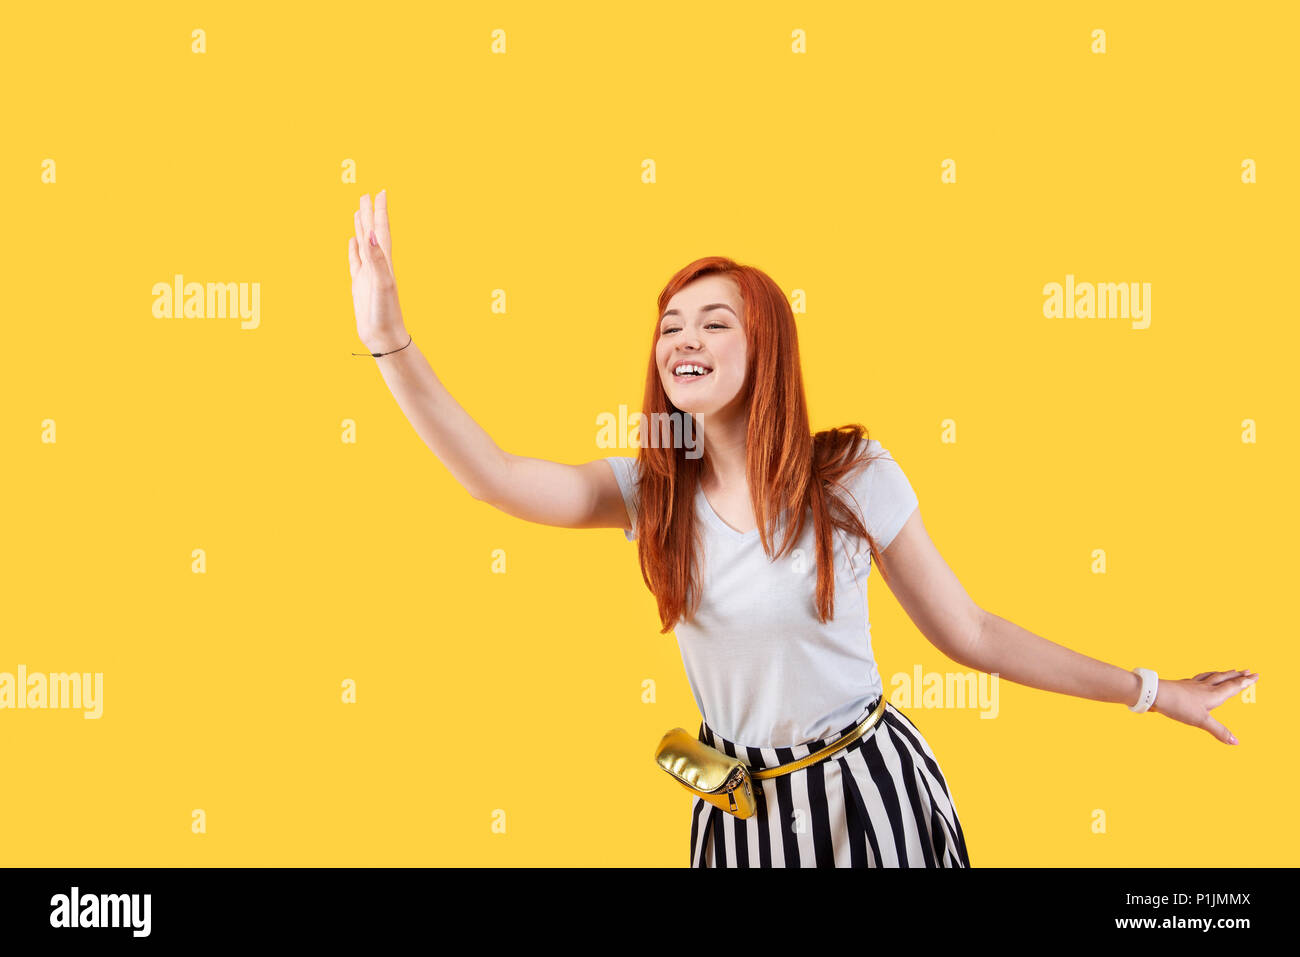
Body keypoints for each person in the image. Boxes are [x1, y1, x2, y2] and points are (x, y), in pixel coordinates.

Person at [346, 190, 1263, 868]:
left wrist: (1154, 691)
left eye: (714, 320)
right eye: (670, 326)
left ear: (766, 347)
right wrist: (390, 338)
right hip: (739, 817)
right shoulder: (649, 491)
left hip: (870, 798)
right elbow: (496, 476)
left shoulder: (851, 475)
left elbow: (973, 634)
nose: (683, 341)